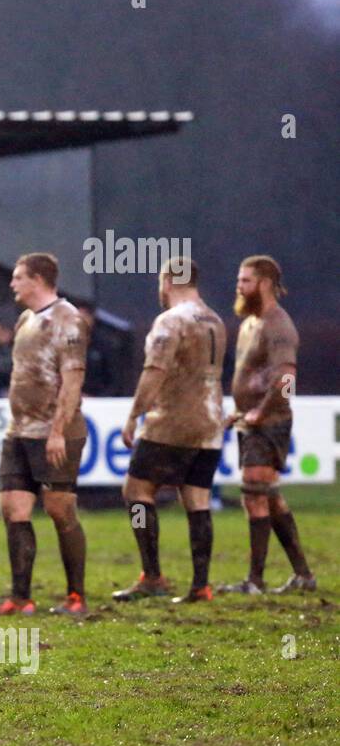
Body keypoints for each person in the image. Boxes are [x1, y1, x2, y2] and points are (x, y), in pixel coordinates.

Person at [113, 258, 226, 605]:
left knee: (136, 493)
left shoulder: (171, 321)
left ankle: (152, 576)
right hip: (211, 420)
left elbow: (154, 370)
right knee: (197, 498)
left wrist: (134, 416)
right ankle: (201, 586)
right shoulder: (216, 321)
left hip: (173, 420)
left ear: (167, 282)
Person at [0, 253, 89, 618]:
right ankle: (20, 597)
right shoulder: (26, 319)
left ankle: (77, 597)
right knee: (12, 508)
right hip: (20, 431)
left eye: (18, 277)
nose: (12, 284)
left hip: (54, 432)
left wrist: (58, 431)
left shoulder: (68, 320)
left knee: (60, 510)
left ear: (39, 280)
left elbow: (73, 380)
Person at [219, 255, 314, 595]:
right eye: (239, 280)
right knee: (268, 497)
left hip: (269, 423)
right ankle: (303, 575)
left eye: (246, 281)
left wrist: (263, 410)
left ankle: (255, 581)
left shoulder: (279, 325)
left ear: (265, 283)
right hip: (249, 422)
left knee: (254, 492)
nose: (239, 287)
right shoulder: (249, 323)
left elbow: (287, 379)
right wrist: (240, 411)